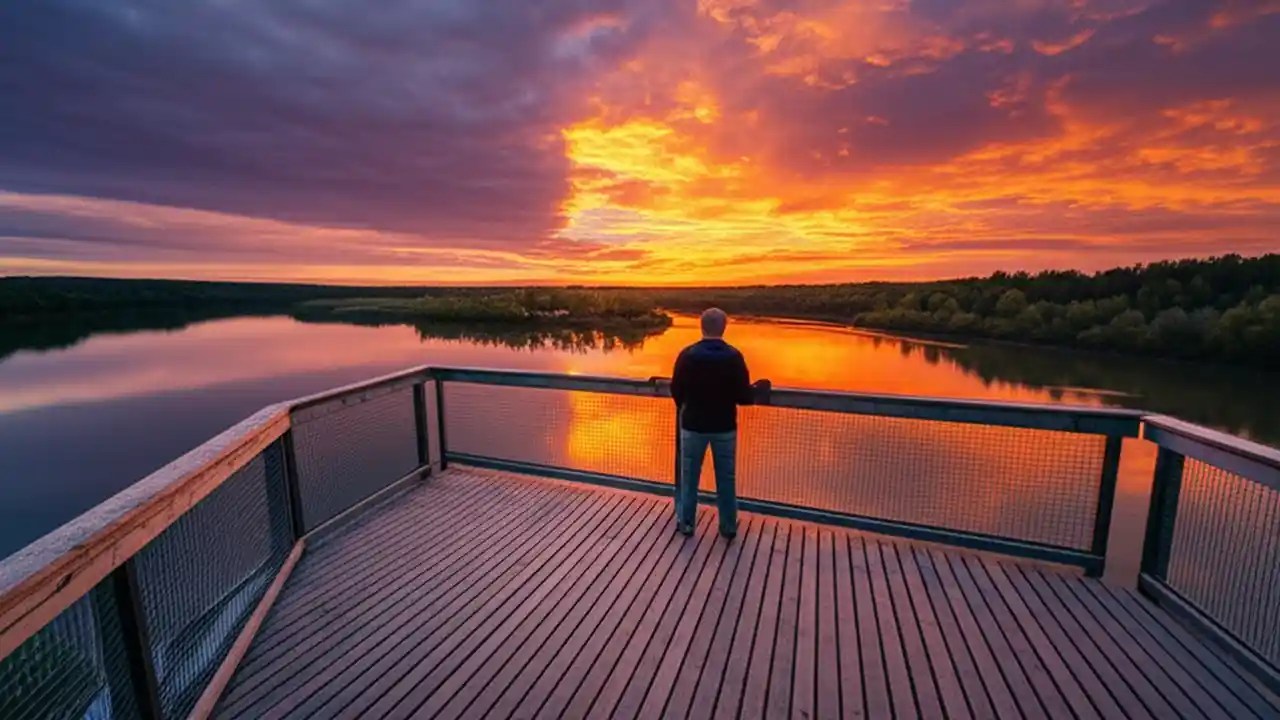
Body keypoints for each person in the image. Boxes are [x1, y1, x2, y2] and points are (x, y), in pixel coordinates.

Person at [670, 308, 768, 539]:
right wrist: (758, 389)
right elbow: (744, 397)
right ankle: (728, 526)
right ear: (724, 327)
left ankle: (686, 523)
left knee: (689, 476)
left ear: (701, 326)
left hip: (692, 426)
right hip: (724, 427)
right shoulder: (734, 356)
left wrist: (688, 405)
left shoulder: (687, 355)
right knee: (726, 478)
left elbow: (677, 392)